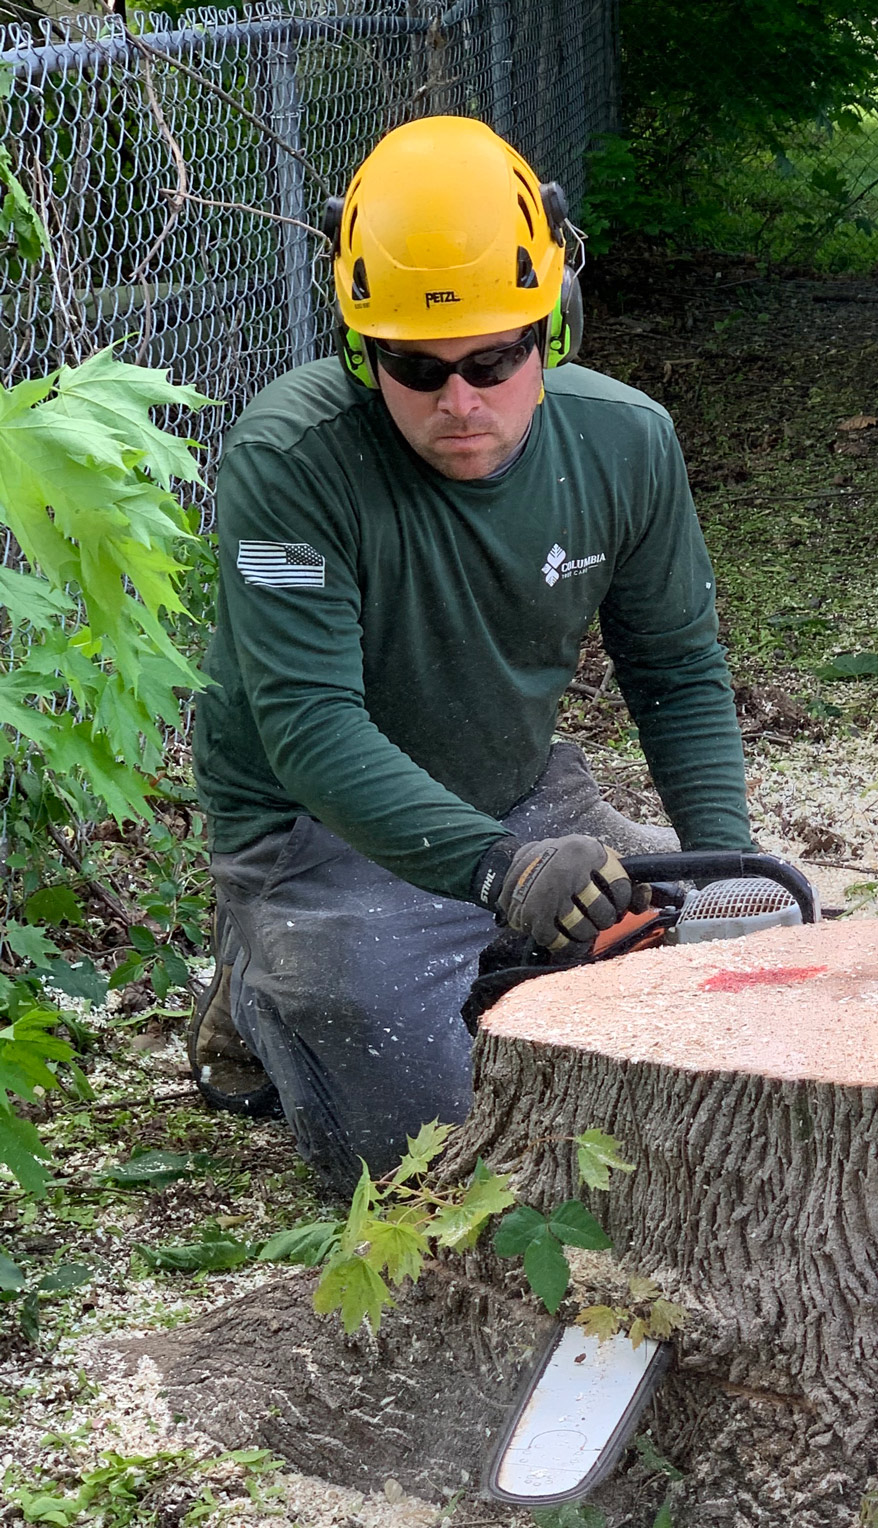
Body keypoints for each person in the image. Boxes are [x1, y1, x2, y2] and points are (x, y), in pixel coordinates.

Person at [188, 115, 752, 1190]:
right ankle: (261, 988)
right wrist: (505, 875)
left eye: (494, 359)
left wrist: (727, 877)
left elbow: (676, 672)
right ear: (361, 351)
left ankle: (490, 952)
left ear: (554, 325)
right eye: (416, 366)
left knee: (727, 971)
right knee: (429, 1161)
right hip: (317, 836)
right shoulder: (290, 461)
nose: (460, 401)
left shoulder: (626, 444)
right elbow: (309, 726)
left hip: (520, 795)